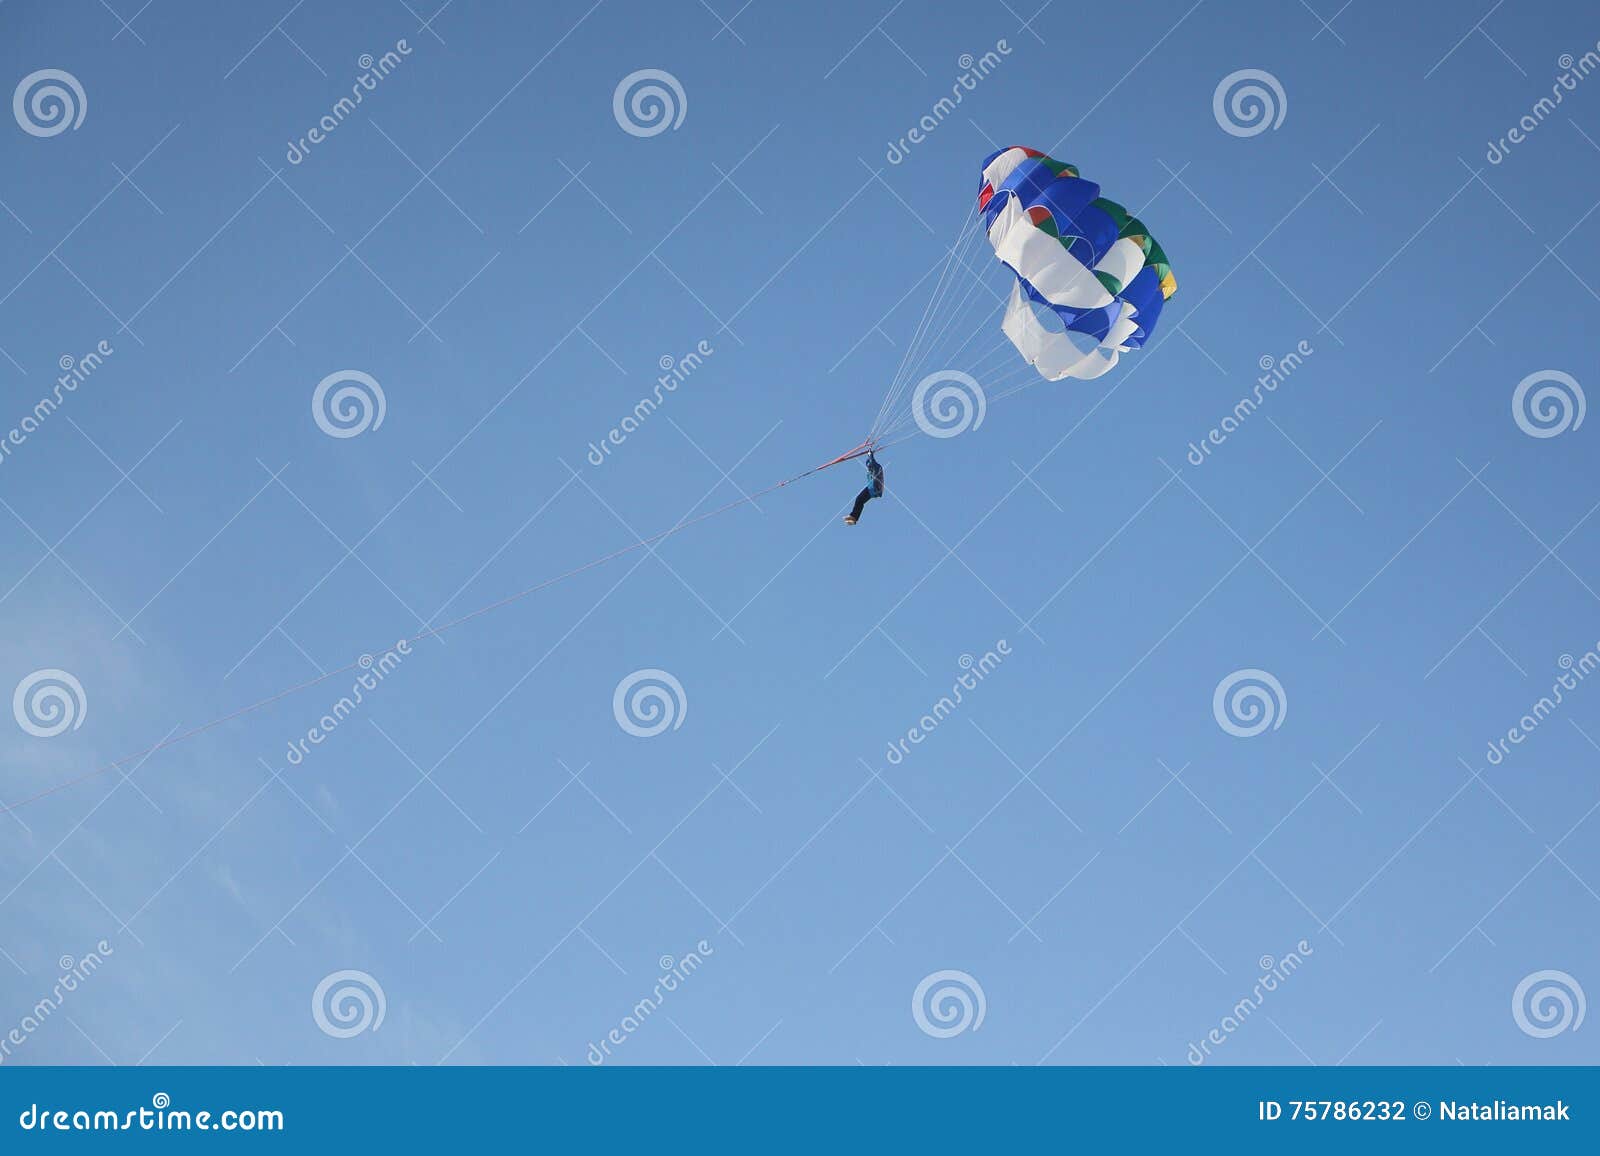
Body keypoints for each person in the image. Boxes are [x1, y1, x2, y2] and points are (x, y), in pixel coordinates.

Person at [843, 450, 884, 525]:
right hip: (873, 488)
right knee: (860, 500)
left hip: (874, 488)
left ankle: (854, 517)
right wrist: (869, 457)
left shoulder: (877, 467)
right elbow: (870, 462)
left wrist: (870, 454)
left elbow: (872, 462)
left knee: (859, 499)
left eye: (868, 466)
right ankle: (853, 517)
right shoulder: (872, 469)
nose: (868, 468)